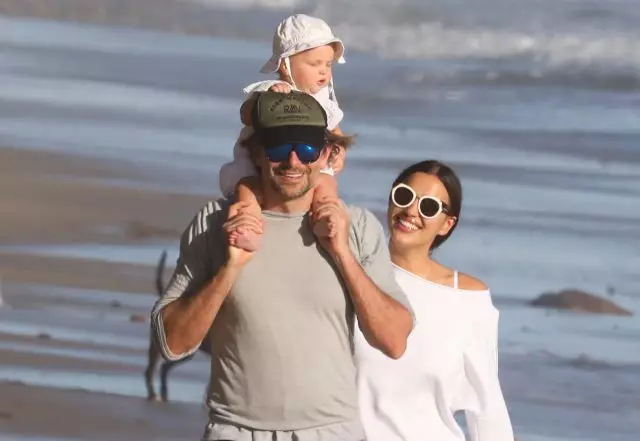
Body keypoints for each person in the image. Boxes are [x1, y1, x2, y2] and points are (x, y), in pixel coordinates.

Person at [151, 90, 414, 441]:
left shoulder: (358, 227)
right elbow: (172, 343)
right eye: (278, 148)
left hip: (332, 433)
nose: (293, 161)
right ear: (257, 152)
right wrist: (230, 268)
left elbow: (394, 340)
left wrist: (341, 254)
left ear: (322, 154)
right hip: (236, 432)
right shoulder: (215, 224)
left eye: (306, 149)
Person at [355, 160, 514, 441]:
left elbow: (488, 409)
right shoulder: (353, 274)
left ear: (447, 224)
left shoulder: (468, 298)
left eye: (428, 207)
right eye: (404, 196)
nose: (411, 211)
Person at [218, 14, 349, 252]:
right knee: (249, 187)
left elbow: (334, 128)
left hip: (308, 159)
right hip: (262, 162)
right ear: (284, 65)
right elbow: (246, 114)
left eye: (328, 65)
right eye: (314, 64)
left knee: (326, 183)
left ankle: (325, 216)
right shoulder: (272, 90)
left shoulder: (323, 100)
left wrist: (340, 150)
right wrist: (268, 98)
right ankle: (247, 225)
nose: (324, 72)